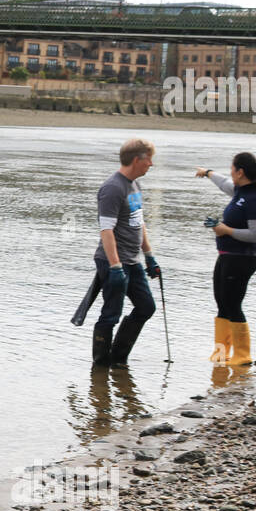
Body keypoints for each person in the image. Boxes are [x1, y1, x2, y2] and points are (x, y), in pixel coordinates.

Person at [193, 153, 256, 365]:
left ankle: (242, 355)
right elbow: (224, 184)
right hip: (226, 256)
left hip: (243, 259)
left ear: (241, 172)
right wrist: (208, 173)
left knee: (232, 304)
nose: (230, 172)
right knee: (221, 302)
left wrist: (225, 230)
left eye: (232, 168)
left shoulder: (255, 199)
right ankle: (220, 353)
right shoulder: (239, 191)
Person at [91, 139, 161, 367]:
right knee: (111, 314)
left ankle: (118, 359)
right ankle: (100, 367)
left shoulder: (135, 185)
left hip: (132, 260)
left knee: (146, 307)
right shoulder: (113, 188)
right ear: (136, 160)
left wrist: (149, 255)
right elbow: (106, 230)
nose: (151, 164)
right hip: (113, 262)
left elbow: (138, 222)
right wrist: (115, 267)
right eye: (148, 159)